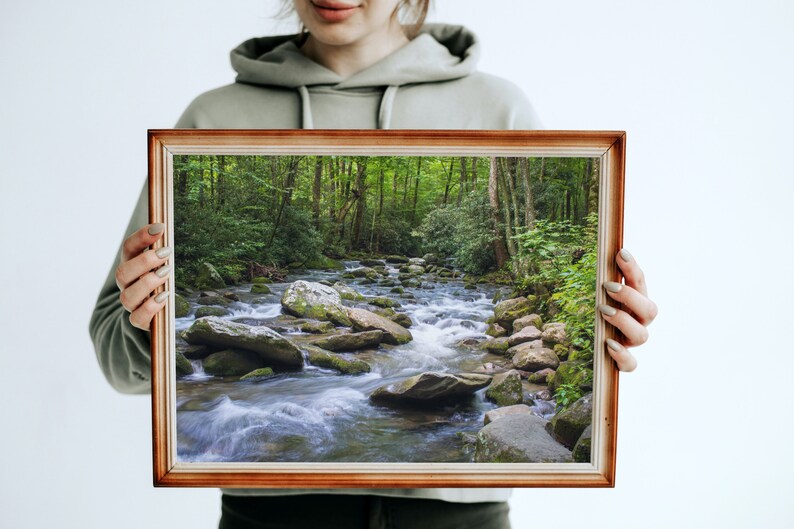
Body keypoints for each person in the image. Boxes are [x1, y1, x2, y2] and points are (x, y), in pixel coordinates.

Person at [90, 1, 657, 527]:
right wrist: (152, 327)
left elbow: (591, 327)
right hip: (270, 517)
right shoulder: (213, 117)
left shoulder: (495, 107)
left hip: (456, 516)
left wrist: (600, 341)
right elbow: (117, 358)